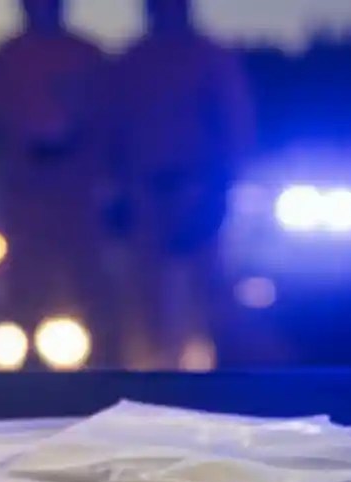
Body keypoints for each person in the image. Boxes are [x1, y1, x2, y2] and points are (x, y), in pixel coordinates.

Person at [106, 0, 256, 369]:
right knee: (147, 293)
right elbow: (112, 127)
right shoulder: (134, 61)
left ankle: (221, 374)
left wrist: (219, 184)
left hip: (199, 186)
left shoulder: (208, 58)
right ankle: (152, 375)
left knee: (211, 289)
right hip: (146, 191)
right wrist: (115, 188)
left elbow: (235, 122)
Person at [0, 0, 112, 358]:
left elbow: (113, 118)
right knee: (25, 284)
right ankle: (26, 368)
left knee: (90, 281)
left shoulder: (86, 56)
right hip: (25, 193)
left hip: (78, 194)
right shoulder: (9, 55)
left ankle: (105, 367)